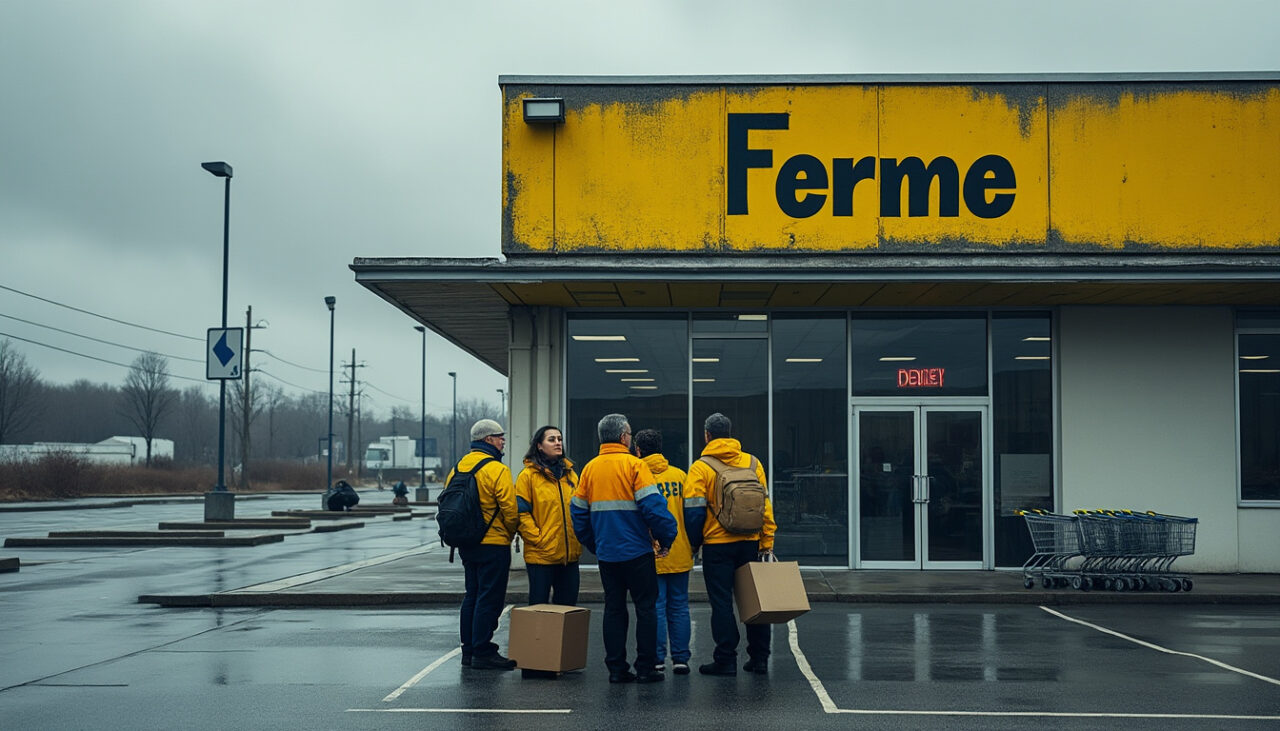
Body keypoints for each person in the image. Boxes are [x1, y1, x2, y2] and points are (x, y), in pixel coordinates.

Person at [571, 413, 677, 684]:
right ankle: (645, 668)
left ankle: (616, 669)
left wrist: (593, 543)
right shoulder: (635, 466)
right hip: (638, 552)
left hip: (608, 554)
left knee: (614, 609)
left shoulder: (589, 469)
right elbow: (654, 509)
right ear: (623, 437)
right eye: (629, 434)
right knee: (646, 609)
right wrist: (666, 539)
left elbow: (578, 513)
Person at [684, 412, 777, 676]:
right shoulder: (752, 463)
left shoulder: (701, 467)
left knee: (721, 603)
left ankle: (725, 659)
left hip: (717, 544)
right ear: (731, 433)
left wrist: (695, 543)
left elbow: (693, 512)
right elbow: (765, 507)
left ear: (707, 435)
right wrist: (766, 543)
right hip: (750, 543)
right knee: (755, 602)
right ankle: (759, 659)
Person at [446, 418, 519, 671]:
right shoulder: (496, 469)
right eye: (500, 437)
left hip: (466, 543)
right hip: (493, 543)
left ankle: (468, 650)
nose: (503, 441)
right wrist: (510, 533)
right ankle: (483, 650)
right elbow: (510, 509)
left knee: (472, 595)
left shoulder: (457, 468)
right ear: (488, 439)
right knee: (490, 598)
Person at [633, 428, 694, 676]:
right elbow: (691, 513)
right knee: (679, 606)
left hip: (650, 553)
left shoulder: (637, 475)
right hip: (679, 549)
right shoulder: (680, 476)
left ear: (638, 450)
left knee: (656, 606)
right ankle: (680, 659)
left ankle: (657, 659)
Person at [516, 425, 582, 606]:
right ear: (539, 445)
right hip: (541, 555)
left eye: (559, 439)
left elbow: (580, 508)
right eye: (551, 439)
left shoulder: (571, 475)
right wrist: (538, 539)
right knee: (539, 609)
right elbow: (521, 513)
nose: (558, 443)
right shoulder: (528, 476)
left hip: (569, 556)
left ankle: (566, 637)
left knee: (568, 609)